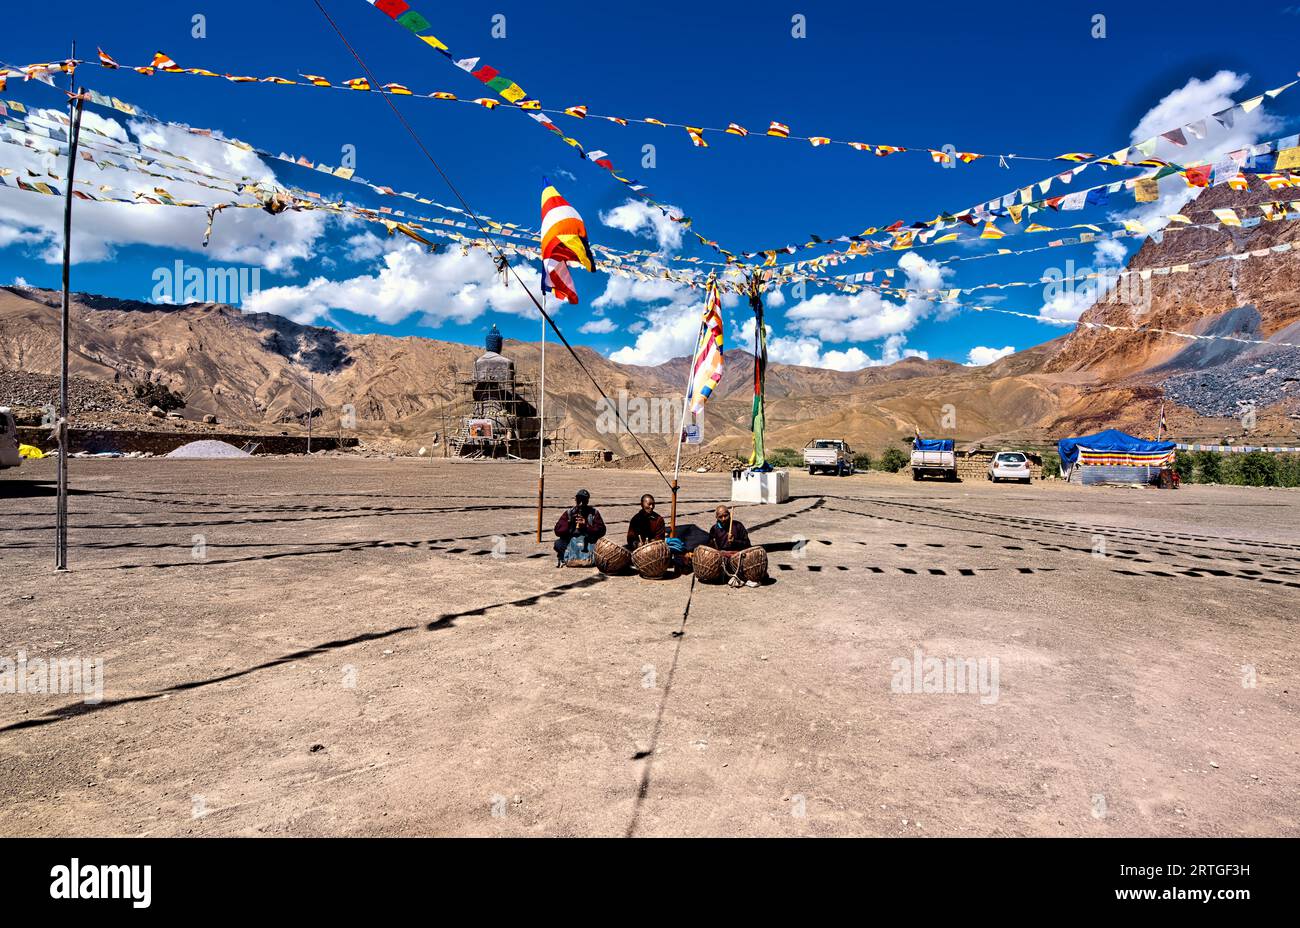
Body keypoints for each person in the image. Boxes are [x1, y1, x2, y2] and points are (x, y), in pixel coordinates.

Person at [553, 489, 606, 566]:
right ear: (576, 500)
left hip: (589, 541)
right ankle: (567, 558)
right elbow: (557, 531)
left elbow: (602, 530)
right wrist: (569, 523)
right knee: (558, 543)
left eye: (583, 500)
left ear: (587, 501)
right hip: (571, 541)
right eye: (579, 500)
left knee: (602, 546)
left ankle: (589, 558)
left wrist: (586, 525)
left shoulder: (594, 513)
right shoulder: (569, 513)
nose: (581, 503)